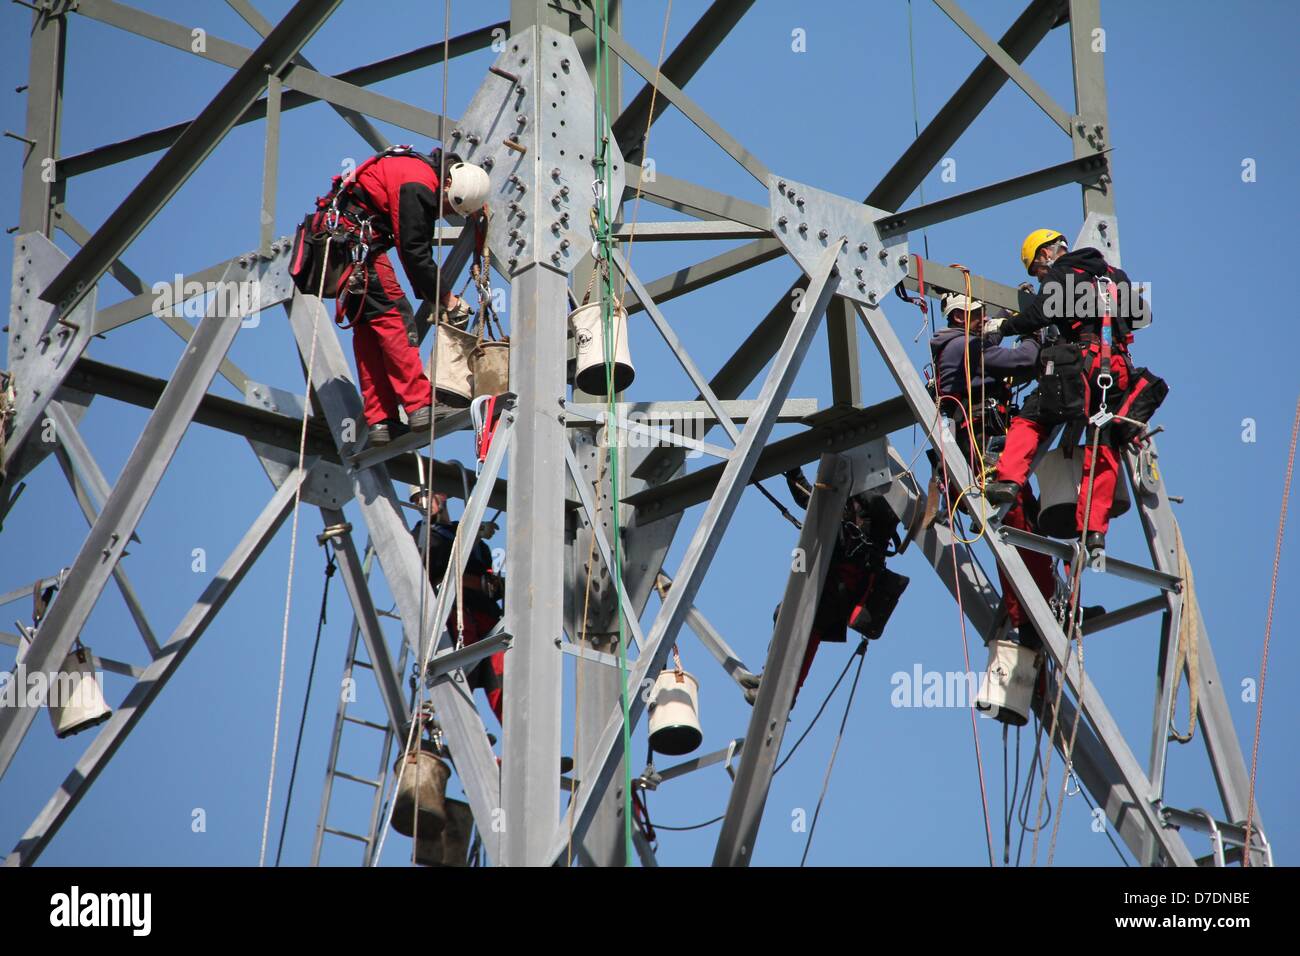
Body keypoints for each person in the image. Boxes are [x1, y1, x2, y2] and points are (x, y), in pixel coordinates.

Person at [982, 228, 1151, 554]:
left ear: (1047, 253)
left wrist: (1002, 327)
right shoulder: (1115, 276)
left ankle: (1007, 480)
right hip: (1116, 373)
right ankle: (1094, 530)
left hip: (1080, 364)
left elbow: (1039, 313)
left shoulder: (1063, 271)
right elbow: (1142, 317)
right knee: (1103, 446)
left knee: (1032, 418)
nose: (1041, 275)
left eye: (1038, 269)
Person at [330, 148, 490, 446]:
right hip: (357, 247)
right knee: (395, 320)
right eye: (447, 207)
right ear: (447, 186)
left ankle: (381, 420)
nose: (442, 213)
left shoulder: (411, 172)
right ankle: (419, 406)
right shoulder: (417, 182)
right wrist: (446, 298)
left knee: (368, 330)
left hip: (341, 250)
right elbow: (414, 252)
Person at [754, 469, 909, 706]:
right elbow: (811, 499)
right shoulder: (851, 497)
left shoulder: (882, 498)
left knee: (808, 625)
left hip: (847, 582)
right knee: (788, 616)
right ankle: (772, 679)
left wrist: (848, 483)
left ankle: (784, 691)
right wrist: (793, 472)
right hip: (833, 576)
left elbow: (880, 509)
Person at [409, 485, 505, 725]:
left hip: (488, 618)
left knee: (504, 682)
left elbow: (490, 585)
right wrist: (476, 581)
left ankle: (525, 749)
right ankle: (444, 722)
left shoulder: (473, 541)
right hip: (458, 615)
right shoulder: (425, 534)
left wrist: (494, 584)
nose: (424, 502)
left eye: (427, 494)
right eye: (417, 499)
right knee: (461, 676)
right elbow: (429, 573)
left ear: (442, 494)